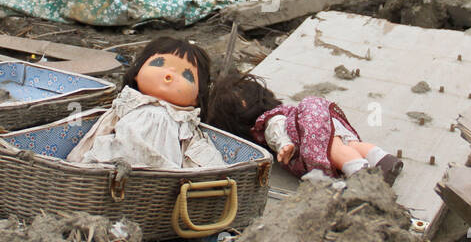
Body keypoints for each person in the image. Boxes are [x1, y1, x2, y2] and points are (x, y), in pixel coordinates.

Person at [206, 71, 402, 184]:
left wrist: (284, 146)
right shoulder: (284, 110)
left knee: (337, 151)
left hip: (312, 131)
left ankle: (362, 176)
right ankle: (383, 159)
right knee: (349, 144)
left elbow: (278, 132)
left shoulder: (267, 122)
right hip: (327, 117)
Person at [67, 37, 224, 169]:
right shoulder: (129, 104)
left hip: (162, 175)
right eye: (159, 63)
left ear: (197, 96)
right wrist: (78, 159)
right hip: (112, 165)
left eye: (187, 75)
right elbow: (103, 128)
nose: (169, 75)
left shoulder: (182, 120)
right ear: (137, 72)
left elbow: (197, 150)